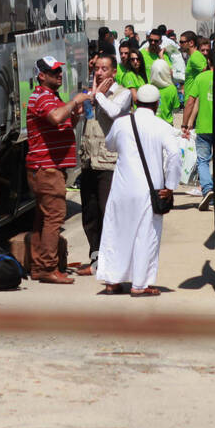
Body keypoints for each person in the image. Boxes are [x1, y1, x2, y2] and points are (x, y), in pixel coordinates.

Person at [95, 84, 181, 296]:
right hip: (149, 191)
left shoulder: (121, 123)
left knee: (116, 232)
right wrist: (170, 186)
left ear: (136, 102)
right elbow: (174, 154)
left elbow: (110, 145)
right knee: (146, 235)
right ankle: (140, 284)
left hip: (122, 187)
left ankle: (112, 281)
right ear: (157, 104)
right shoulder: (162, 126)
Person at [25, 56, 90, 284]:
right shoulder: (42, 96)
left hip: (49, 167)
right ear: (42, 76)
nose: (60, 75)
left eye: (60, 71)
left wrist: (75, 113)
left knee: (43, 218)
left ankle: (39, 266)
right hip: (47, 168)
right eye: (54, 72)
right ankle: (48, 268)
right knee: (54, 217)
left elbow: (64, 124)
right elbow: (55, 117)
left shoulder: (52, 96)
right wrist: (74, 102)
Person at [75, 51, 131, 275]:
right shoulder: (91, 94)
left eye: (104, 69)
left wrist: (98, 95)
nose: (99, 73)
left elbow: (114, 111)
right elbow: (82, 118)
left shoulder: (122, 94)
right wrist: (88, 99)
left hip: (110, 163)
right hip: (89, 161)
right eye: (96, 68)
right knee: (90, 213)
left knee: (108, 212)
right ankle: (95, 257)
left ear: (114, 72)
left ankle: (113, 260)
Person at [182, 48, 215, 211]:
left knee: (203, 161)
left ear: (209, 61)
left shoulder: (201, 78)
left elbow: (191, 102)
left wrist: (186, 123)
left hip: (204, 127)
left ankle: (208, 189)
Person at [149, 59, 179, 124]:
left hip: (152, 123)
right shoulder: (172, 89)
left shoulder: (149, 88)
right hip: (167, 124)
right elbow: (176, 108)